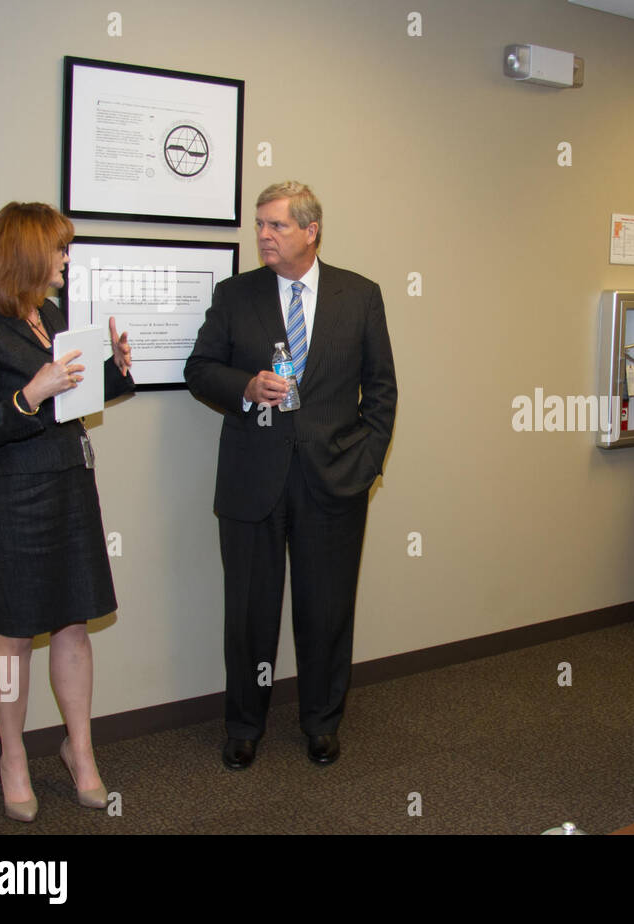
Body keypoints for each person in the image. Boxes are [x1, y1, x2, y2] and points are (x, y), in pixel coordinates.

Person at [185, 181, 397, 770]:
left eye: (275, 225)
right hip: (253, 479)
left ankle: (322, 722)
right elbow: (199, 369)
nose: (263, 236)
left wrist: (366, 464)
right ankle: (244, 725)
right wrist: (246, 387)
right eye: (258, 225)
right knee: (249, 611)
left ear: (311, 231)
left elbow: (381, 390)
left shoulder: (360, 295)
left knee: (326, 609)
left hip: (334, 480)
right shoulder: (235, 295)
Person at [0, 201, 134, 822]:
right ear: (27, 254)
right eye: (58, 249)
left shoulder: (48, 315)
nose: (64, 260)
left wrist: (114, 373)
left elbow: (70, 398)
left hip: (71, 482)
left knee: (75, 623)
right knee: (16, 631)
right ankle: (12, 758)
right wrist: (31, 393)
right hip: (17, 495)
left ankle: (79, 751)